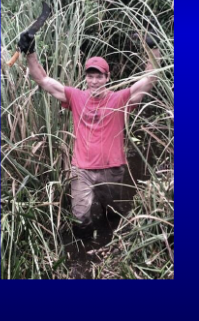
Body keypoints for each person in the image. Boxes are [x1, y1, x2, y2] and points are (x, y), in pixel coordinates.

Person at [20, 30, 161, 238]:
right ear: (85, 77)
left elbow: (150, 79)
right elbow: (43, 80)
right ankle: (85, 252)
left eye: (99, 77)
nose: (94, 81)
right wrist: (30, 52)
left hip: (112, 170)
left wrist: (154, 48)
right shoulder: (75, 97)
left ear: (107, 78)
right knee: (80, 218)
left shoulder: (119, 99)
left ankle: (110, 245)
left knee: (112, 214)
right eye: (90, 76)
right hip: (81, 170)